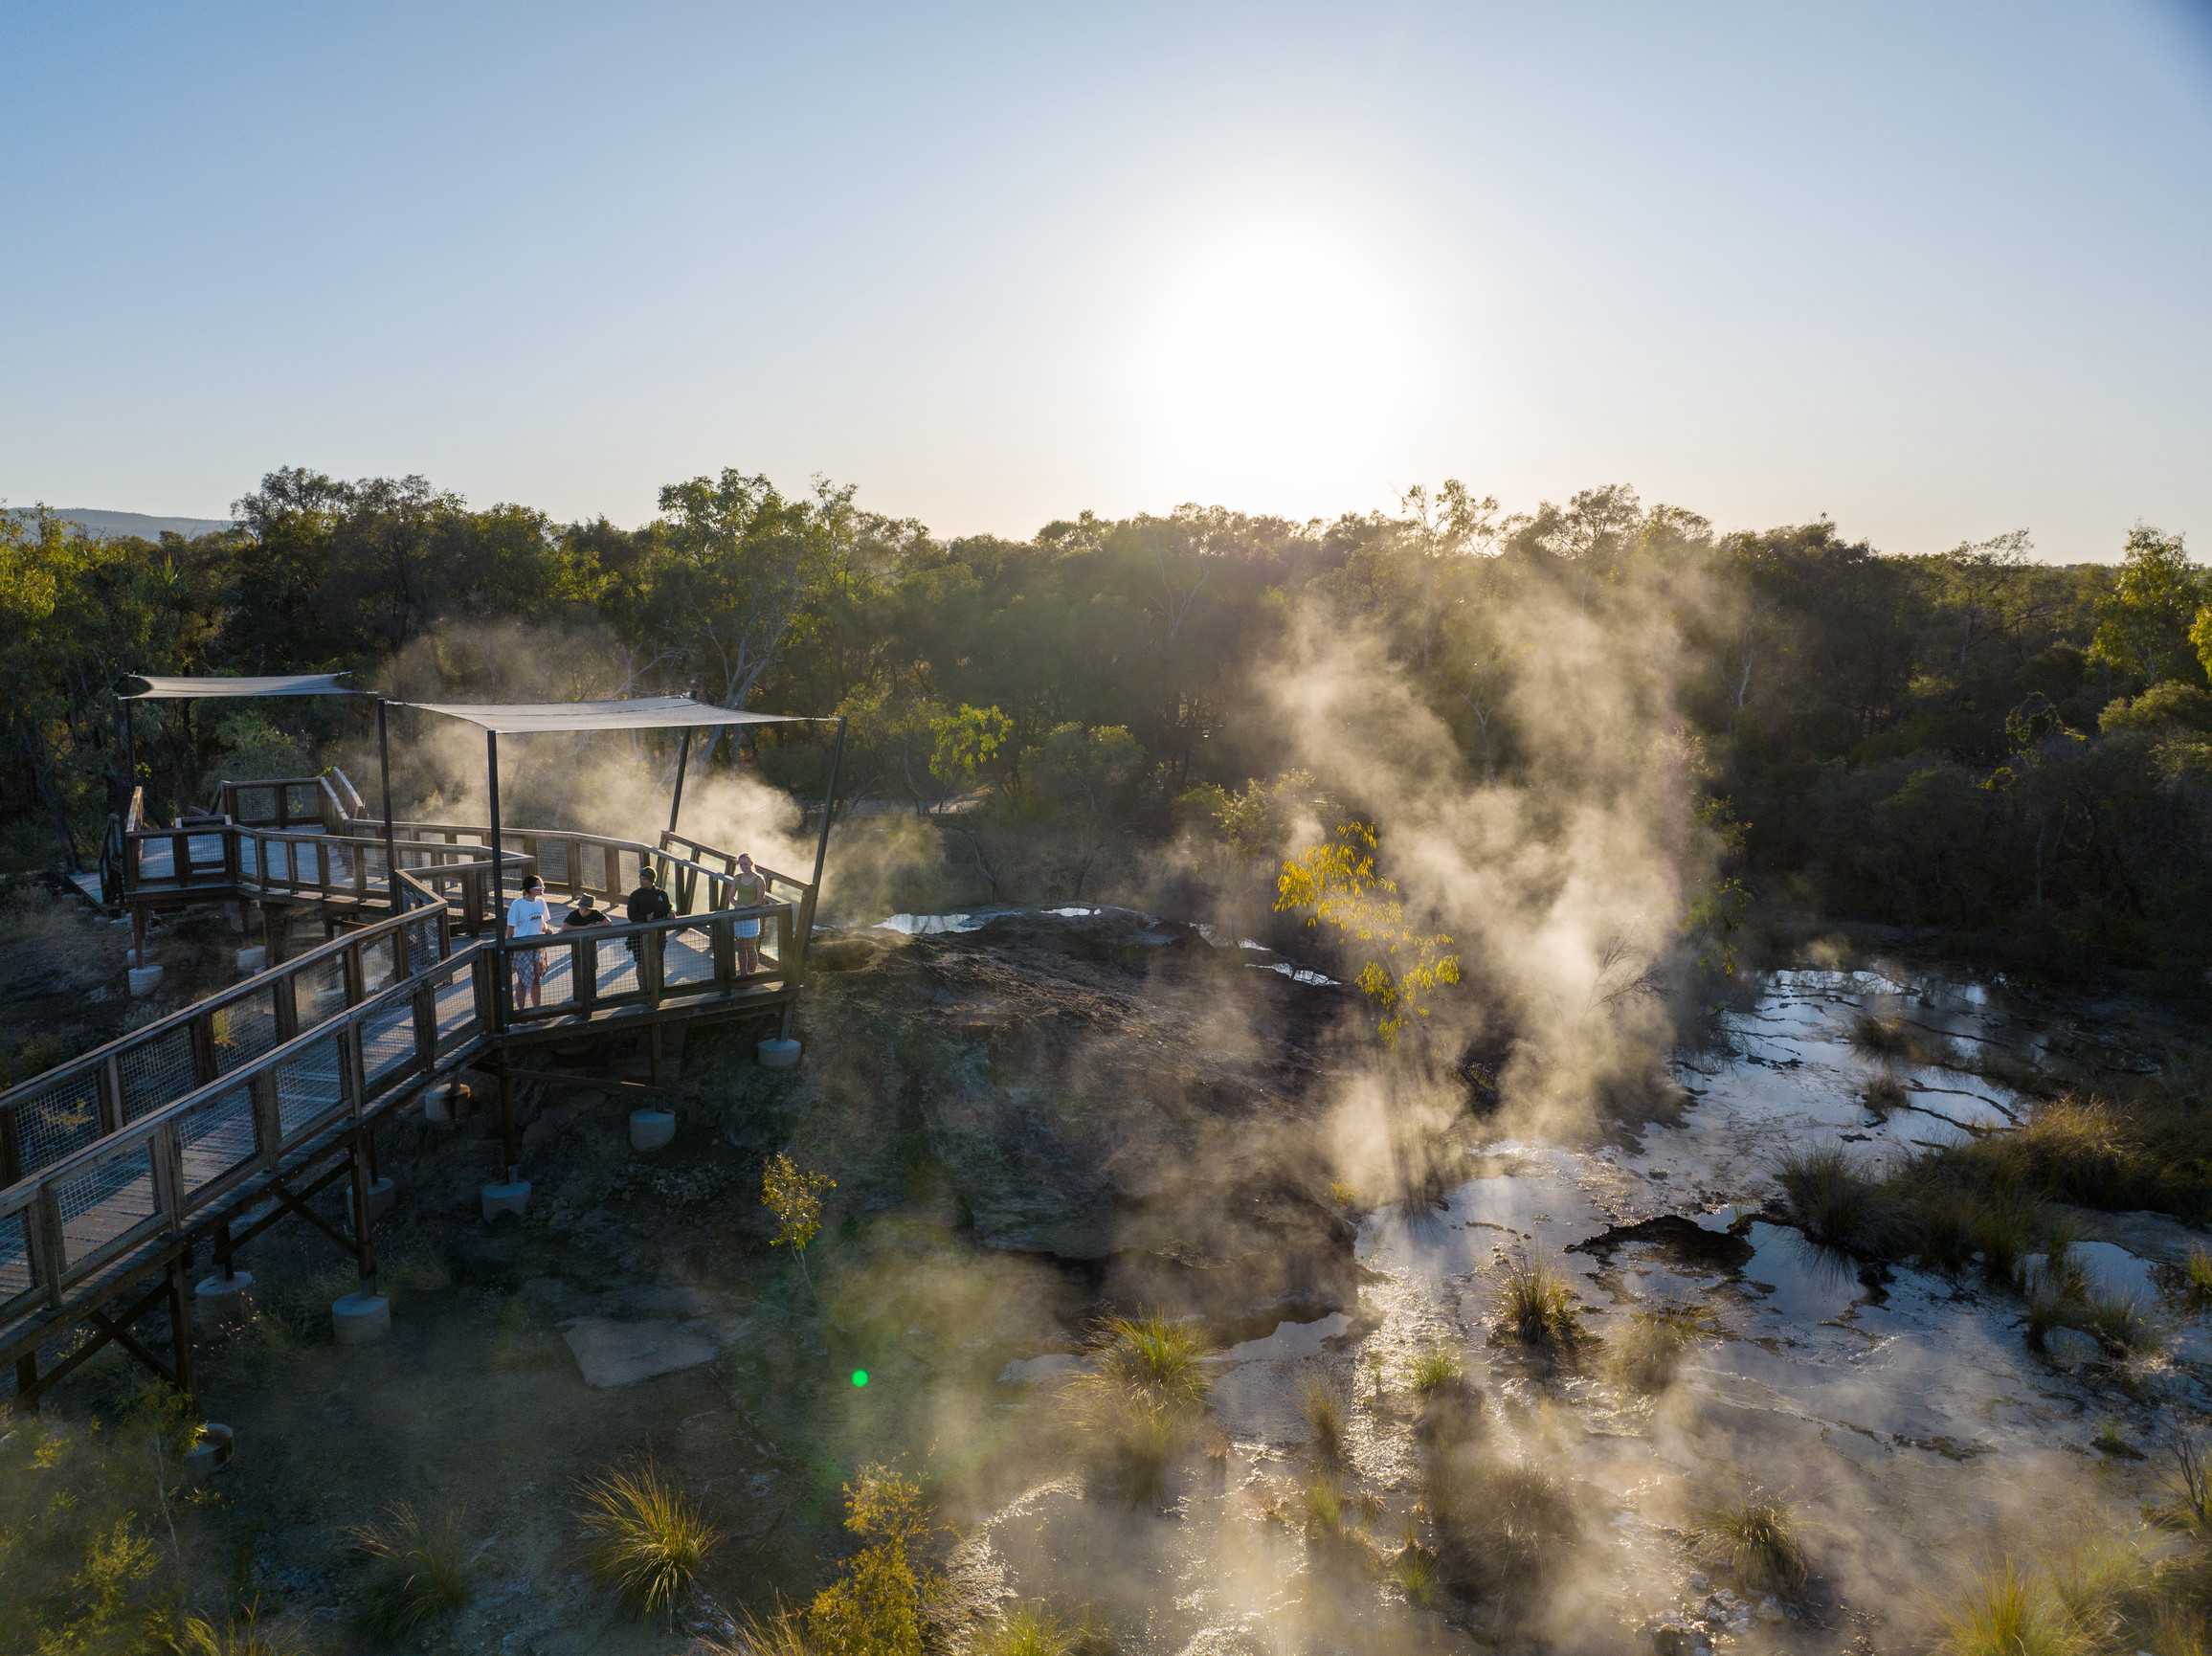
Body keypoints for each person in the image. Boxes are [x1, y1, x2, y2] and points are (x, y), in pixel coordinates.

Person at [505, 873, 555, 1009]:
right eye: (540, 886)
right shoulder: (518, 905)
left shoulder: (541, 902)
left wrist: (546, 930)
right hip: (523, 947)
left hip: (539, 947)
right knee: (522, 980)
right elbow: (510, 929)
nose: (543, 888)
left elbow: (542, 921)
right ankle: (522, 1013)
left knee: (536, 978)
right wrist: (510, 949)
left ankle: (536, 1011)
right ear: (531, 889)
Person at [624, 863, 674, 972]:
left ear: (651, 880)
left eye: (644, 879)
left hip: (658, 934)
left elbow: (669, 908)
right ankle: (642, 987)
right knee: (641, 963)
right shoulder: (635, 895)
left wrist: (671, 914)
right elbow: (631, 915)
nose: (641, 881)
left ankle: (657, 986)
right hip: (638, 935)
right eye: (640, 879)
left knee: (657, 961)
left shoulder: (661, 894)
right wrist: (645, 918)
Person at [732, 852, 766, 974]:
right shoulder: (737, 878)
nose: (743, 867)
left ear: (751, 863)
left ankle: (752, 972)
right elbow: (730, 896)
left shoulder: (759, 880)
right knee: (741, 947)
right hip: (739, 915)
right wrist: (737, 905)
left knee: (751, 947)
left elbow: (759, 900)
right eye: (741, 865)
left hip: (751, 916)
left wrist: (747, 906)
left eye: (746, 864)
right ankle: (743, 973)